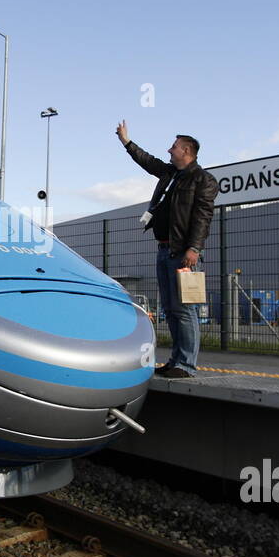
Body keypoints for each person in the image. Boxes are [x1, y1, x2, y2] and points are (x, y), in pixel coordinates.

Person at [116, 120, 218, 378]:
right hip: (163, 250)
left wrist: (194, 248)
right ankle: (176, 360)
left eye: (173, 147)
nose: (169, 150)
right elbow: (148, 161)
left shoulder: (203, 180)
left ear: (186, 151)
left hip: (182, 252)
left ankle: (186, 364)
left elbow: (202, 217)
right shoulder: (170, 174)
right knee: (171, 309)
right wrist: (127, 142)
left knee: (185, 309)